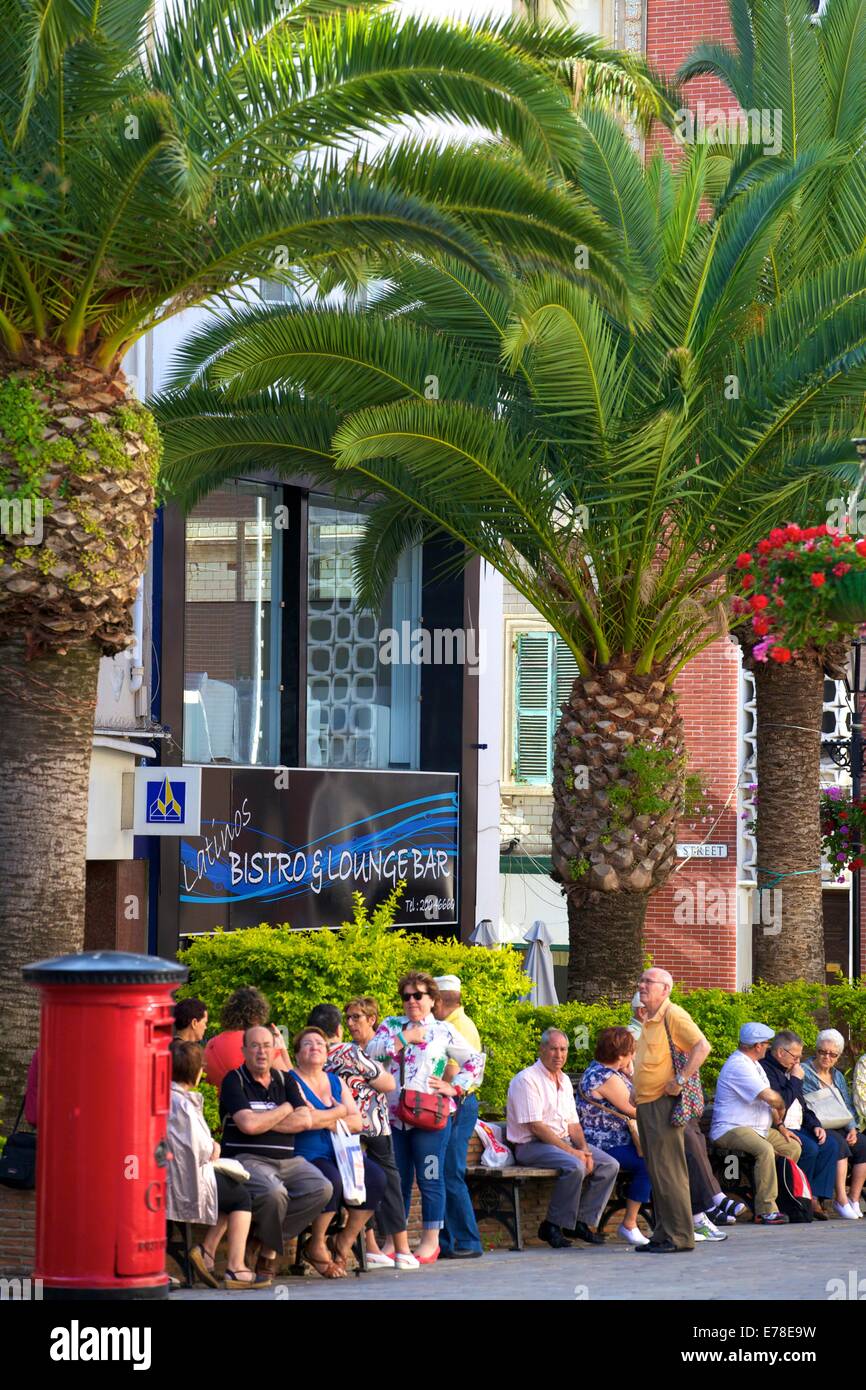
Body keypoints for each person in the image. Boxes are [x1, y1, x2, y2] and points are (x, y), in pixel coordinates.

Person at [367, 971, 485, 1263]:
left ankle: (431, 1242)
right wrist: (403, 1038)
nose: (412, 1001)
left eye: (418, 995)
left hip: (430, 1118)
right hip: (393, 1118)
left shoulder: (443, 1031)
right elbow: (370, 1054)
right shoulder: (391, 1026)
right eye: (406, 996)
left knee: (430, 1177)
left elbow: (475, 1060)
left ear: (433, 999)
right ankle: (394, 1242)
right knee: (397, 1180)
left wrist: (454, 1087)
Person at [308, 1003, 418, 1271]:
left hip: (338, 1130)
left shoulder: (312, 1059)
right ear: (338, 1028)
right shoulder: (349, 1051)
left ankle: (371, 1248)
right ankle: (402, 1249)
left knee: (357, 1182)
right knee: (389, 1182)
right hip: (371, 1125)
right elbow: (387, 1083)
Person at [219, 1026, 333, 1280]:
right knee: (274, 1193)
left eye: (267, 1046)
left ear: (274, 1050)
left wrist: (261, 1119)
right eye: (255, 1046)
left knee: (322, 1188)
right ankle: (268, 1256)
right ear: (244, 1051)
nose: (261, 1052)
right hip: (248, 1159)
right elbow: (247, 1126)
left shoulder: (285, 1080)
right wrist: (284, 1109)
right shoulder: (234, 1080)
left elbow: (305, 1119)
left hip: (288, 1161)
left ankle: (264, 1243)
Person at [626, 984, 742, 1230]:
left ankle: (707, 1205)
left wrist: (679, 1080)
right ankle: (705, 1208)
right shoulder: (635, 1033)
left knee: (694, 1142)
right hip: (652, 1110)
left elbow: (700, 1047)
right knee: (685, 1149)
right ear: (640, 1011)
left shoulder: (667, 1019)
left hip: (669, 1105)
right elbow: (636, 1073)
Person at [507, 1028, 619, 1249]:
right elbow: (537, 1127)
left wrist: (584, 1150)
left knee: (609, 1165)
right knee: (575, 1165)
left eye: (563, 1049)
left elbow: (573, 1124)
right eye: (554, 1049)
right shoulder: (526, 1080)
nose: (559, 1055)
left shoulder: (565, 1080)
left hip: (562, 1142)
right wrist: (574, 1153)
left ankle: (580, 1222)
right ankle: (551, 1225)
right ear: (542, 1049)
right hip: (531, 1145)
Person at [166, 1040, 265, 1290]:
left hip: (167, 1177)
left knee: (230, 1191)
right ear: (196, 1071)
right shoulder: (184, 1103)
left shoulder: (164, 1097)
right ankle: (235, 1267)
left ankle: (207, 1252)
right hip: (185, 1181)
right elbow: (198, 1148)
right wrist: (213, 1146)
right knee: (241, 1197)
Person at [289, 1027, 387, 1278]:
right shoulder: (291, 1081)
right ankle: (316, 1243)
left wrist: (327, 1119)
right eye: (307, 1044)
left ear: (326, 1052)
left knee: (376, 1178)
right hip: (308, 1154)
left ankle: (344, 1239)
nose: (315, 1047)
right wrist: (340, 1112)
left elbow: (358, 1122)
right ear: (297, 1054)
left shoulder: (336, 1081)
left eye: (320, 1043)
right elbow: (306, 1120)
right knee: (331, 1180)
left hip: (343, 1153)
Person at [632, 967, 711, 1253]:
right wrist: (636, 1088)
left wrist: (680, 1079)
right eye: (641, 980)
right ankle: (663, 1234)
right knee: (658, 1171)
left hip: (663, 1104)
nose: (641, 985)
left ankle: (679, 1237)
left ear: (665, 989)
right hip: (646, 1103)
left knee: (669, 1171)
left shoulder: (673, 1014)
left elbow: (702, 1046)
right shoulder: (650, 1019)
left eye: (648, 982)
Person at [710, 1022, 801, 1225]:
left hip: (758, 1129)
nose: (768, 1047)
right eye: (766, 1044)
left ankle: (780, 1199)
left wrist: (781, 1126)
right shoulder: (738, 1065)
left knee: (792, 1147)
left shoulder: (755, 1065)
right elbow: (770, 1097)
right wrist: (781, 1103)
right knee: (765, 1150)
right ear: (757, 1046)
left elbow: (768, 1104)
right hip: (731, 1128)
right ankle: (766, 1209)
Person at [576, 1027, 651, 1246]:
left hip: (615, 1140)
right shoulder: (605, 1077)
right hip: (604, 1143)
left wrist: (629, 1071)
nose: (634, 1056)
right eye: (631, 1052)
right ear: (620, 1055)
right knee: (649, 1163)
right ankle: (629, 1224)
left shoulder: (603, 1070)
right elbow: (635, 1109)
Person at [433, 974, 484, 1259]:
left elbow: (452, 1073)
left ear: (438, 1001)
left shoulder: (456, 1027)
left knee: (450, 1172)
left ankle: (467, 1241)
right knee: (445, 1172)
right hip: (461, 1103)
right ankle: (447, 1241)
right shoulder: (462, 1022)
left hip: (458, 1104)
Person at [761, 1030, 836, 1220]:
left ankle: (814, 1197)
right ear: (780, 1052)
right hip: (778, 1126)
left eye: (800, 1057)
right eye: (795, 1056)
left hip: (799, 1125)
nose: (798, 1061)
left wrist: (815, 1125)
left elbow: (802, 1106)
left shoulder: (790, 1069)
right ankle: (799, 1198)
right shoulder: (766, 1070)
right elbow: (781, 1104)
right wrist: (795, 1080)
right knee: (809, 1148)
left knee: (829, 1145)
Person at [803, 1029, 866, 1219]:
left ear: (838, 1056)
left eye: (833, 1054)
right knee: (839, 1144)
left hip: (839, 1124)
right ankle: (840, 1199)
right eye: (822, 1052)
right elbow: (804, 1105)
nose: (827, 1057)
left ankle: (854, 1198)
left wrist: (853, 1128)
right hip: (817, 1125)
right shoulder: (804, 1071)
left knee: (862, 1143)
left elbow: (846, 1105)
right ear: (816, 1050)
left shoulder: (837, 1075)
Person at [204, 987, 290, 1092]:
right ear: (256, 1016)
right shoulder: (258, 1042)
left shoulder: (211, 1044)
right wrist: (282, 1048)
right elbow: (292, 1084)